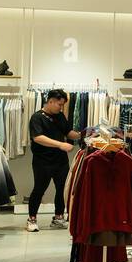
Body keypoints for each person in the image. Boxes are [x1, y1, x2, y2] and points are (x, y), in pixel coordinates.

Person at [26, 89, 79, 231]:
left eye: (62, 105)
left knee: (62, 189)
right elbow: (38, 138)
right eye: (59, 104)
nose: (61, 108)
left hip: (60, 161)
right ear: (50, 101)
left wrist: (83, 134)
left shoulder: (59, 116)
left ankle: (58, 217)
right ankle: (31, 219)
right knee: (39, 189)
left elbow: (68, 133)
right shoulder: (37, 118)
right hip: (42, 161)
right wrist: (61, 144)